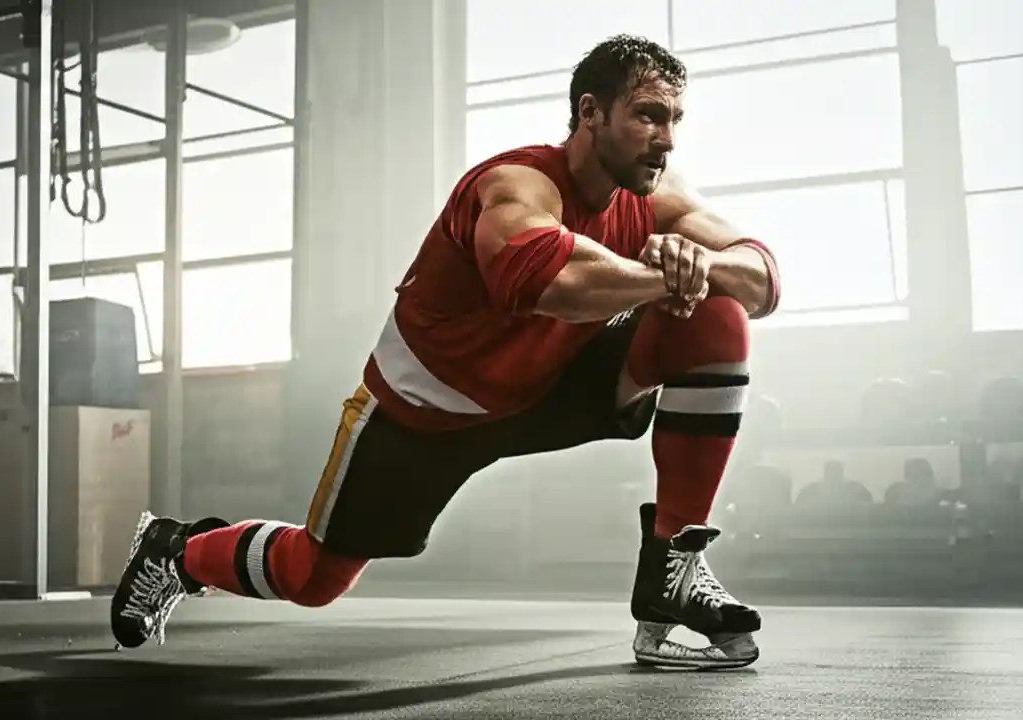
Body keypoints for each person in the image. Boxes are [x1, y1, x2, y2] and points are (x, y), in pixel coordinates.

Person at [110, 34, 780, 670]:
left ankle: (675, 566)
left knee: (715, 319)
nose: (665, 138)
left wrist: (698, 266)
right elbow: (551, 283)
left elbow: (762, 281)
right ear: (590, 113)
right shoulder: (515, 186)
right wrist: (676, 270)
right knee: (313, 577)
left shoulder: (658, 197)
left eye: (674, 119)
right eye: (647, 116)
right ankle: (178, 551)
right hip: (425, 413)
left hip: (548, 387)